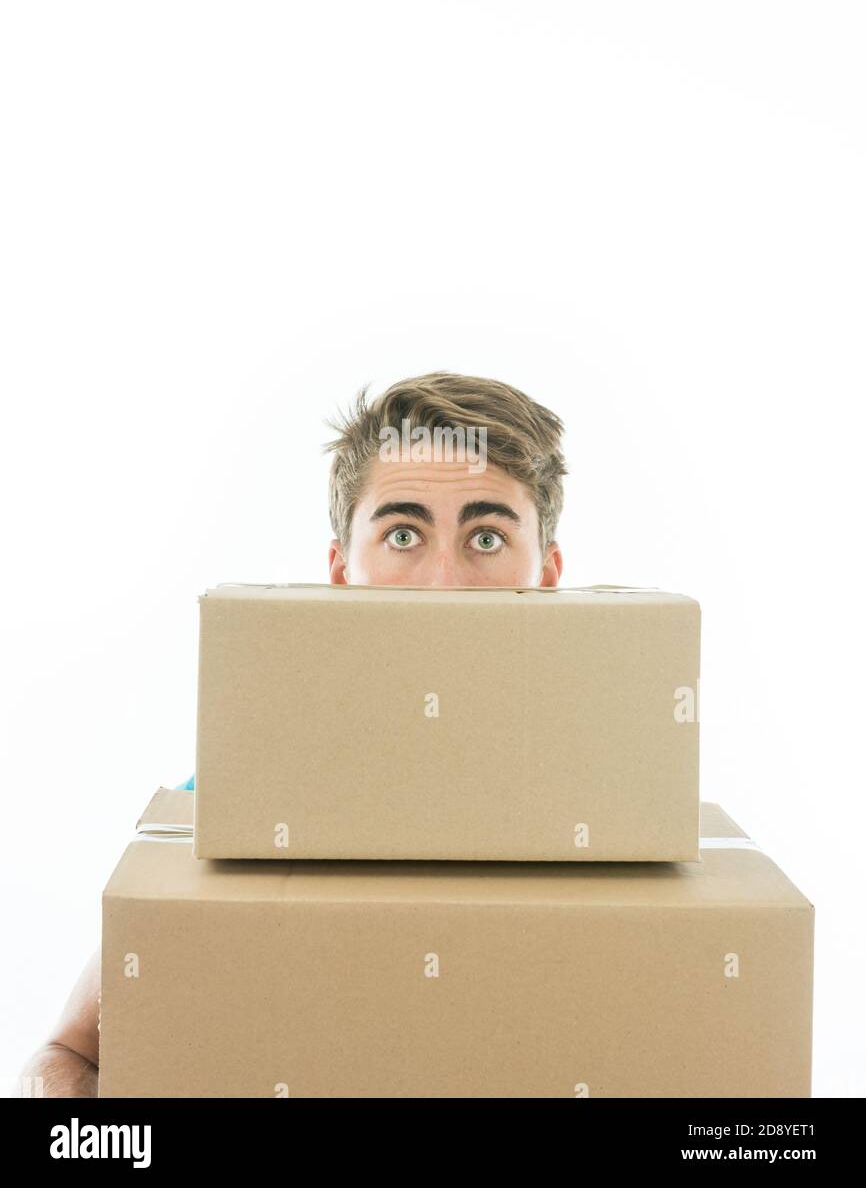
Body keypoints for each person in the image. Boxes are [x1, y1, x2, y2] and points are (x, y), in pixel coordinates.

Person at [15, 370, 567, 1096]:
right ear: (340, 573)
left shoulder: (605, 814)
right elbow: (68, 1061)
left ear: (548, 576)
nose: (443, 581)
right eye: (403, 533)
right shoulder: (240, 795)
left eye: (486, 537)